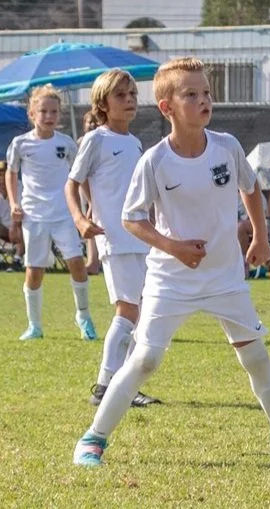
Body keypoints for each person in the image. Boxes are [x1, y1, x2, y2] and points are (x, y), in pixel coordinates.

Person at [73, 57, 270, 466]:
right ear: (167, 107)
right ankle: (92, 440)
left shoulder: (227, 146)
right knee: (145, 359)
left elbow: (251, 188)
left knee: (255, 356)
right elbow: (131, 219)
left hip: (225, 276)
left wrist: (259, 236)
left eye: (206, 93)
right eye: (191, 94)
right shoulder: (154, 160)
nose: (203, 101)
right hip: (171, 280)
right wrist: (174, 247)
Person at [69, 68, 161, 408]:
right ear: (102, 104)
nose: (130, 101)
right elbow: (72, 182)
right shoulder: (96, 139)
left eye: (133, 95)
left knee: (144, 311)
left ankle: (121, 383)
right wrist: (81, 217)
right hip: (116, 239)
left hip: (140, 237)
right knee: (128, 311)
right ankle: (107, 385)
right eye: (120, 95)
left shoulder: (135, 142)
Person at [10, 85, 96, 341]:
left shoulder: (66, 144)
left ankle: (83, 316)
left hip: (64, 213)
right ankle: (34, 325)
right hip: (34, 215)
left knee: (77, 264)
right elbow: (11, 173)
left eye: (54, 112)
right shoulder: (20, 144)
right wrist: (15, 203)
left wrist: (90, 203)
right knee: (35, 270)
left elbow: (79, 176)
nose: (49, 116)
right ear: (32, 114)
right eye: (44, 111)